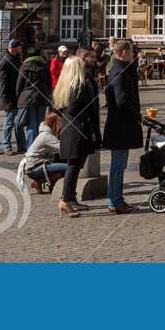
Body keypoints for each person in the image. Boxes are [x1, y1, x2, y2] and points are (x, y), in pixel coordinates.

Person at [52, 53, 101, 217]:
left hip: (71, 130)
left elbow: (59, 109)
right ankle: (65, 200)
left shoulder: (65, 85)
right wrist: (89, 122)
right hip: (77, 131)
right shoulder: (77, 86)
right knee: (74, 166)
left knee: (75, 165)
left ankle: (70, 198)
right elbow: (74, 109)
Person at [102, 38, 142, 214]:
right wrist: (136, 115)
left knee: (119, 166)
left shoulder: (121, 69)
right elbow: (122, 100)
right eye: (131, 51)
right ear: (124, 52)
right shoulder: (118, 72)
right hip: (120, 126)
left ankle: (116, 200)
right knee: (118, 167)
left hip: (121, 125)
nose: (133, 54)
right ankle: (115, 201)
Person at [17, 110, 67, 195]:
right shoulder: (47, 136)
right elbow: (64, 149)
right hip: (35, 168)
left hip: (33, 166)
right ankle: (42, 181)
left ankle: (39, 182)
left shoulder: (45, 133)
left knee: (62, 161)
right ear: (55, 124)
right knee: (69, 168)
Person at [17, 45, 51, 147]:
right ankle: (38, 146)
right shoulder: (45, 66)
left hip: (28, 98)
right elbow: (49, 83)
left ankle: (30, 147)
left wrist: (19, 96)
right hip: (41, 97)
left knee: (31, 124)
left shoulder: (24, 66)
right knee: (40, 124)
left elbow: (19, 84)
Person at [0, 39, 24, 155]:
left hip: (18, 96)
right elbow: (1, 82)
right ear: (14, 48)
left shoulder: (16, 58)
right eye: (19, 47)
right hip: (10, 97)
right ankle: (6, 146)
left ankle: (22, 145)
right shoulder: (5, 61)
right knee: (9, 122)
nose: (21, 48)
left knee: (19, 122)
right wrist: (4, 99)